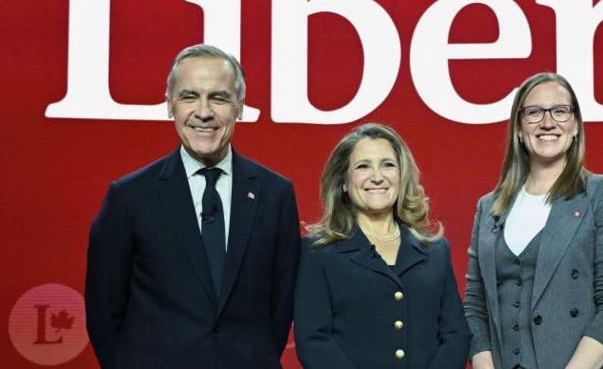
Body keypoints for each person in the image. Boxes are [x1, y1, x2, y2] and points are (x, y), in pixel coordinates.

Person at [85, 44, 300, 368]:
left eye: (218, 97)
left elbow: (280, 304)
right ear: (170, 105)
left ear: (239, 107)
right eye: (189, 97)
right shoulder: (129, 197)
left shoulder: (276, 194)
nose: (203, 112)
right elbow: (104, 308)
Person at [465, 73, 603, 369]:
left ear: (576, 127)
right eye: (534, 113)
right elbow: (475, 306)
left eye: (560, 111)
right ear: (519, 128)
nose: (547, 123)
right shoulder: (489, 207)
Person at [294, 123, 471, 368]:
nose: (377, 176)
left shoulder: (435, 250)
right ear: (344, 182)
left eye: (388, 165)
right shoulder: (318, 253)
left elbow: (456, 335)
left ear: (402, 176)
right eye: (363, 166)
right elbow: (314, 341)